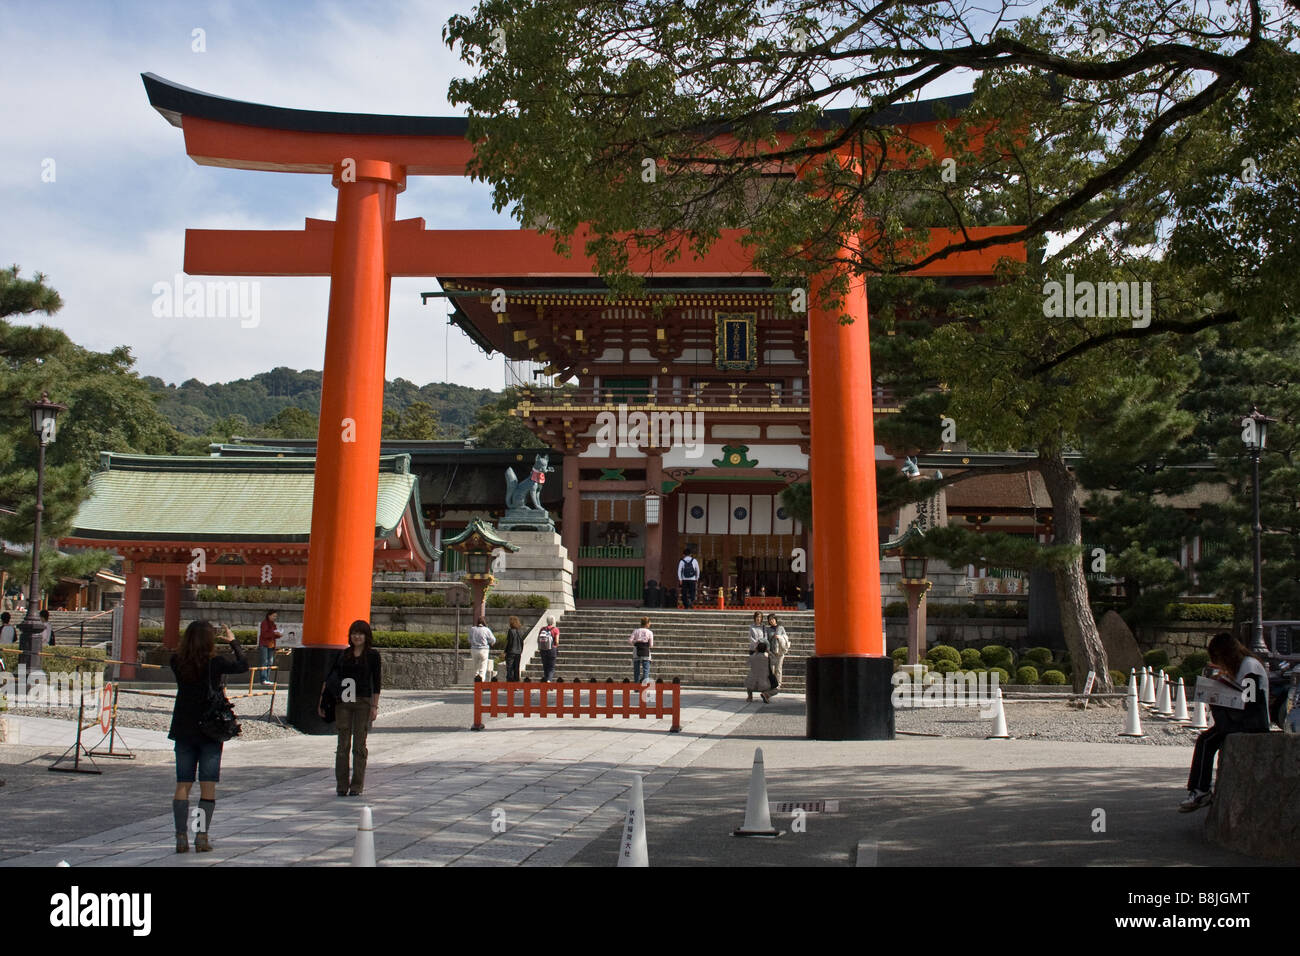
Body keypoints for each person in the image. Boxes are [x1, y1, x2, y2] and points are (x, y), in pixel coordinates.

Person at [168, 620, 247, 853]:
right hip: (210, 730)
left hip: (183, 727)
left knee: (183, 783)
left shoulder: (176, 661)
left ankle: (180, 836)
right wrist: (233, 642)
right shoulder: (216, 663)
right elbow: (243, 665)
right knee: (207, 784)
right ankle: (201, 836)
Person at [1180, 631, 1270, 812]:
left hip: (1251, 723)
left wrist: (1223, 689)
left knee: (1207, 741)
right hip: (1245, 720)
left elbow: (1251, 700)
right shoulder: (1245, 666)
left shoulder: (1249, 667)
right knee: (1205, 739)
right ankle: (1198, 789)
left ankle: (1200, 790)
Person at [318, 620, 382, 797]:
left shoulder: (373, 656)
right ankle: (341, 784)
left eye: (361, 633)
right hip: (343, 702)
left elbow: (376, 683)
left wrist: (374, 706)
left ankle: (357, 785)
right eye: (354, 633)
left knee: (359, 744)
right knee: (342, 744)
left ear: (366, 636)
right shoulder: (343, 655)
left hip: (363, 701)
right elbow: (329, 678)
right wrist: (322, 701)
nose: (357, 636)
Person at [257, 610, 283, 685]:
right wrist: (274, 633)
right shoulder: (264, 623)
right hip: (264, 644)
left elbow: (273, 635)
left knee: (270, 662)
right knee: (264, 661)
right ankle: (263, 679)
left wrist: (278, 635)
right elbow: (264, 635)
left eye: (275, 616)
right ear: (269, 615)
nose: (275, 617)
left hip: (271, 645)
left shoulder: (273, 624)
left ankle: (267, 678)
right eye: (273, 616)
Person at [766, 614, 791, 685]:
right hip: (771, 651)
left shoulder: (781, 628)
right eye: (770, 619)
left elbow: (786, 637)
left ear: (775, 619)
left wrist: (779, 637)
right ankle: (772, 683)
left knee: (778, 669)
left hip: (780, 651)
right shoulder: (768, 630)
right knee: (772, 669)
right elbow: (767, 640)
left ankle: (778, 684)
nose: (771, 621)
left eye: (772, 619)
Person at [630, 617, 654, 684]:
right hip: (646, 650)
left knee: (636, 670)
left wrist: (636, 642)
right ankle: (644, 686)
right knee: (646, 670)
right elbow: (651, 645)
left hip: (636, 650)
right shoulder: (649, 632)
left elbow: (630, 640)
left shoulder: (636, 631)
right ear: (647, 624)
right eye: (649, 623)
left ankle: (636, 687)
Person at [537, 616, 560, 681]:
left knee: (545, 667)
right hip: (552, 649)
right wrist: (555, 646)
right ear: (553, 621)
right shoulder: (555, 629)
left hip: (543, 650)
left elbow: (538, 639)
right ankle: (549, 680)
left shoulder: (542, 629)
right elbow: (557, 641)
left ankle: (546, 680)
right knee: (551, 668)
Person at [504, 615, 525, 681]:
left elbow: (509, 642)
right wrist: (521, 650)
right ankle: (516, 682)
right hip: (518, 652)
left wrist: (505, 651)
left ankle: (510, 683)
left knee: (510, 668)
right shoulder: (520, 631)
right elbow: (522, 642)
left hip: (511, 652)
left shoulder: (511, 631)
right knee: (516, 668)